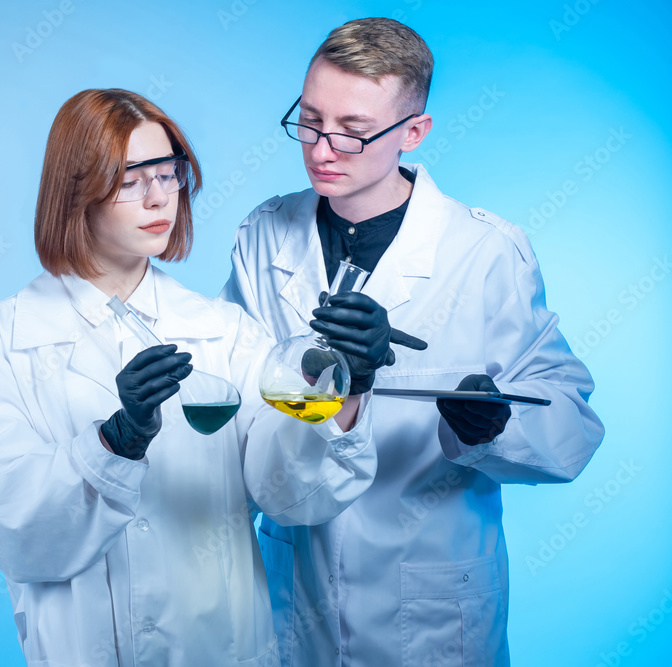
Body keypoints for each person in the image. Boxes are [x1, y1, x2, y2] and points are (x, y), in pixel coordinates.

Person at [0, 88, 381, 666]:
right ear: (75, 190)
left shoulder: (225, 332)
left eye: (167, 172)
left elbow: (290, 493)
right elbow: (7, 520)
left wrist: (347, 387)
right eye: (127, 178)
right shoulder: (0, 340)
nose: (157, 197)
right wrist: (112, 443)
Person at [221, 18, 605, 666]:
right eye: (310, 120)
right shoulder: (265, 234)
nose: (321, 148)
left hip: (431, 599)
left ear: (413, 132)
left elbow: (571, 428)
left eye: (352, 129)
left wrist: (492, 423)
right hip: (299, 583)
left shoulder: (483, 251)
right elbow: (236, 406)